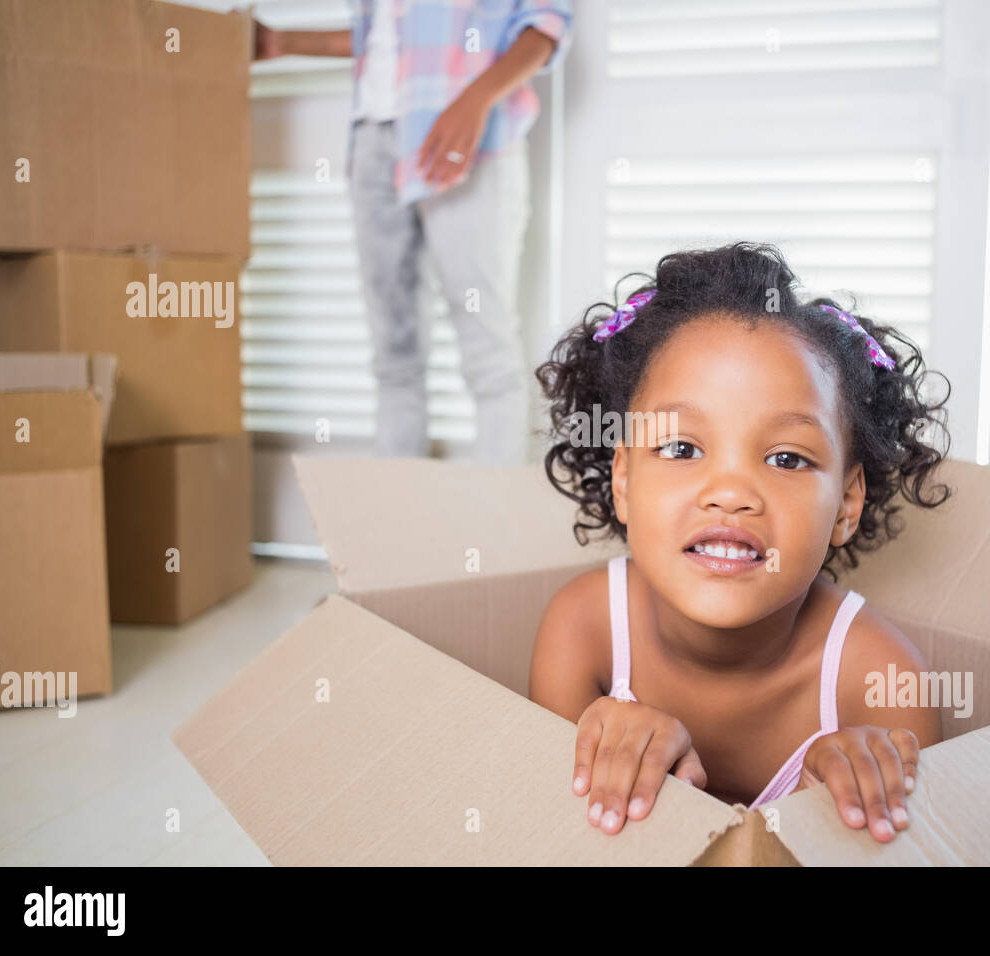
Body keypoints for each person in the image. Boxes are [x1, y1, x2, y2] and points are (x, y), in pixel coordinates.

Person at [529, 242, 953, 840]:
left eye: (786, 457)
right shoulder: (581, 630)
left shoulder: (879, 680)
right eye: (681, 448)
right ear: (623, 478)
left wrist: (832, 821)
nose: (730, 493)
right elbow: (547, 840)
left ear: (846, 505)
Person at [254, 1, 574, 463]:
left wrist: (474, 99)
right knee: (393, 353)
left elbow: (546, 23)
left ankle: (497, 524)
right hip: (373, 137)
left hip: (465, 133)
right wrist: (282, 42)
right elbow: (388, 37)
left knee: (487, 346)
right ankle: (397, 521)